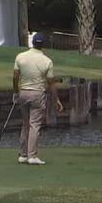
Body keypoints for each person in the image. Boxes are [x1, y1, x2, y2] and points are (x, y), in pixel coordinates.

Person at [12, 32, 63, 165]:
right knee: (34, 125)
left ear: (32, 43)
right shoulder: (47, 61)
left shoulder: (21, 57)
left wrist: (16, 92)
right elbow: (51, 83)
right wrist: (56, 99)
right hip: (37, 94)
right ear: (42, 45)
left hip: (23, 93)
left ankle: (23, 155)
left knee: (25, 124)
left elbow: (15, 76)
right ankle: (32, 156)